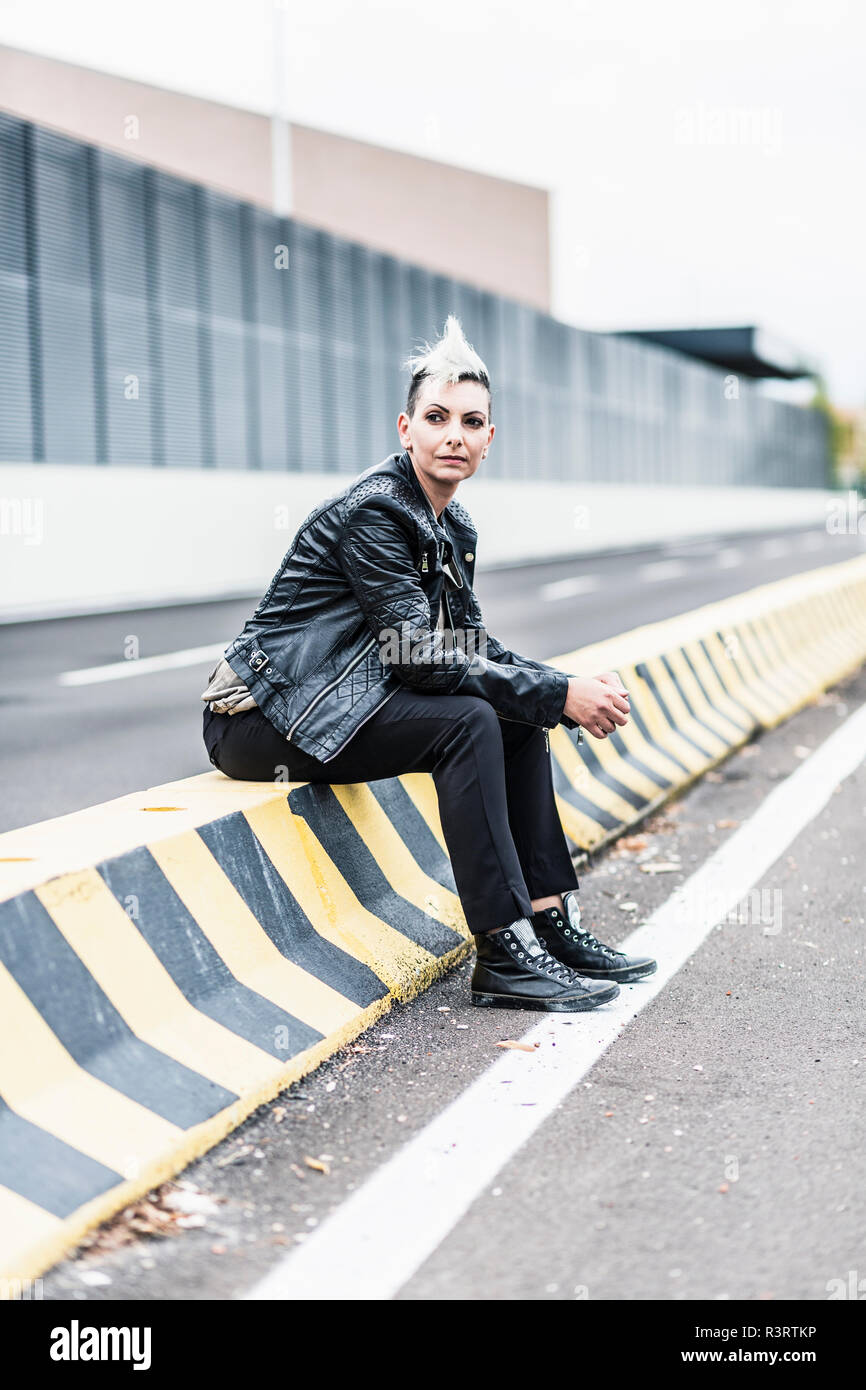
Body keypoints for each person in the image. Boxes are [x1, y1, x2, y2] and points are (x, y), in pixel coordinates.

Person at [201, 315, 656, 1011]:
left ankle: (546, 922)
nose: (454, 435)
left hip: (341, 701)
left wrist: (557, 686)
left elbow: (467, 645)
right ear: (404, 428)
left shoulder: (451, 524)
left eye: (471, 422)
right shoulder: (375, 514)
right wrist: (555, 691)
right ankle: (503, 952)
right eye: (437, 417)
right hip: (265, 716)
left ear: (489, 440)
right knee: (470, 719)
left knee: (510, 718)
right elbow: (418, 658)